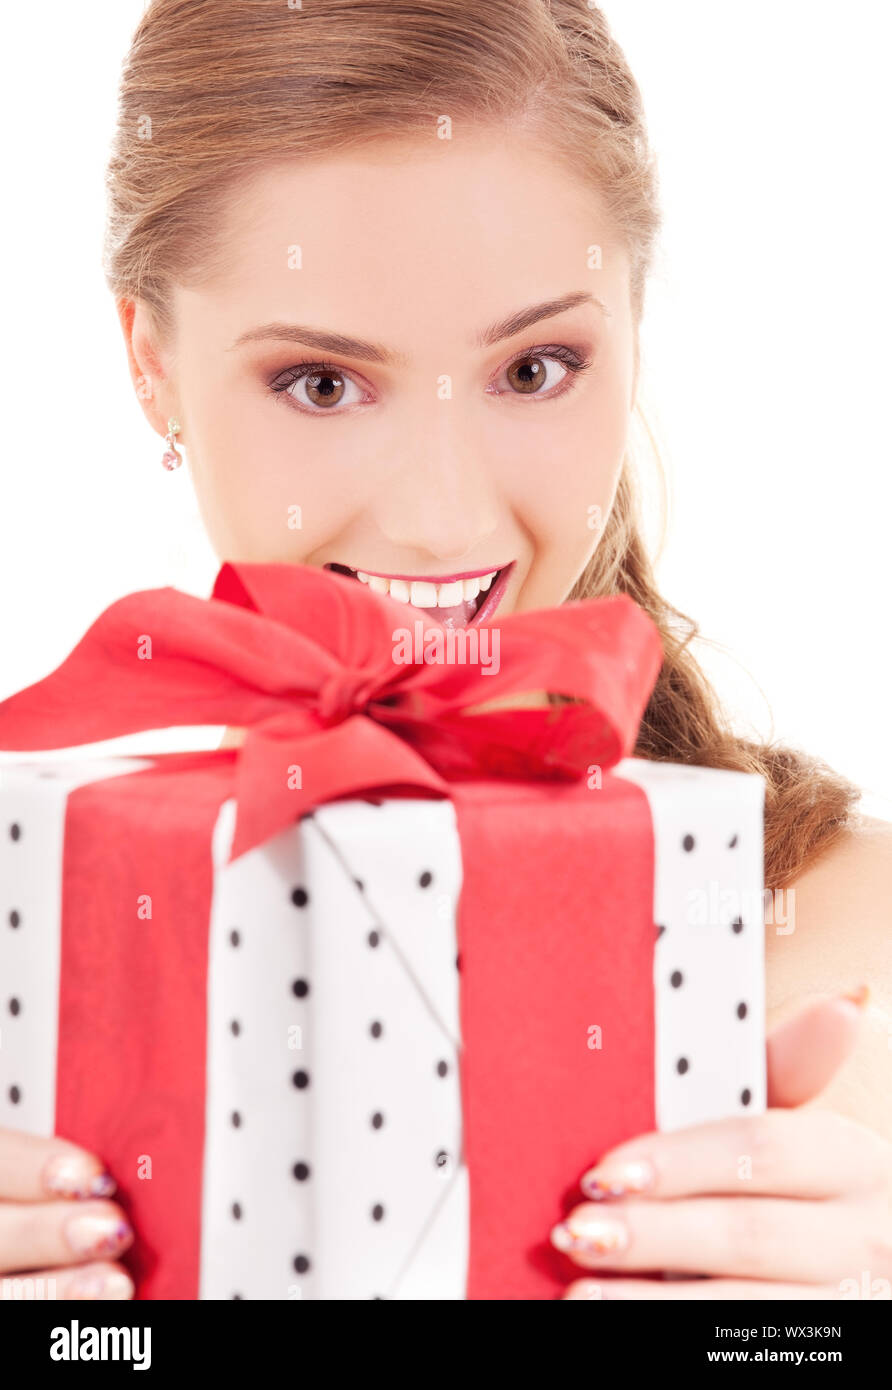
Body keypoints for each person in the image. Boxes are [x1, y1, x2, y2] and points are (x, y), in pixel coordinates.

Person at [1, 0, 889, 1301]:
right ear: (152, 365)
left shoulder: (848, 953)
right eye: (321, 383)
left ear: (634, 327)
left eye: (534, 369)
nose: (443, 518)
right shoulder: (35, 922)